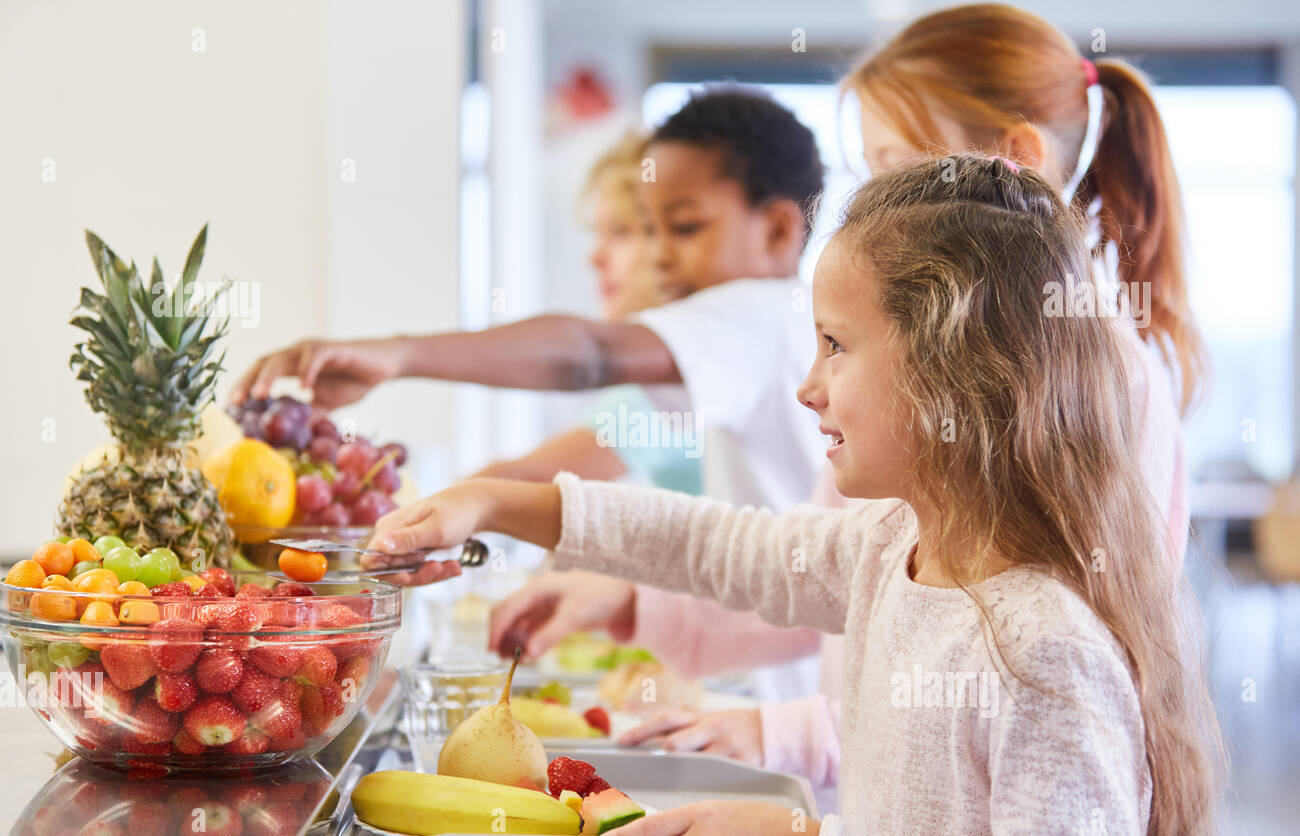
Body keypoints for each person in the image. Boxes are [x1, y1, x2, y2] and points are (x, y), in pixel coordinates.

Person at [369, 155, 1223, 836]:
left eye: (837, 346)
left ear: (957, 374)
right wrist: (492, 502)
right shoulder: (894, 547)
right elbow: (719, 546)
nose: (808, 387)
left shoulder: (1045, 650)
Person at [487, 2, 1209, 787]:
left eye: (899, 169)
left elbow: (1031, 692)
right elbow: (820, 568)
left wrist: (788, 737)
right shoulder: (917, 375)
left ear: (1015, 161)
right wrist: (631, 599)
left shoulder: (1102, 381)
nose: (876, 207)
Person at [230, 88, 825, 515]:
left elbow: (587, 354)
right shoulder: (769, 324)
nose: (661, 256)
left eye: (687, 228)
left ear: (777, 231)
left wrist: (401, 353)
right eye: (648, 230)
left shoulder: (758, 313)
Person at [471, 129, 700, 494]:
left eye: (621, 232)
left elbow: (524, 481)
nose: (595, 257)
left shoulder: (669, 382)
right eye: (598, 233)